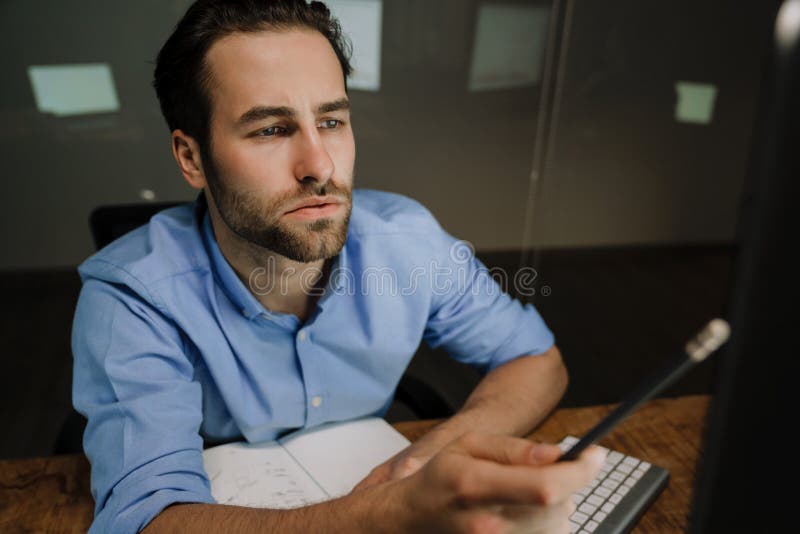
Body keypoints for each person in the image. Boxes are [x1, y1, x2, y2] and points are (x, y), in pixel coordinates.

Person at [71, 1, 605, 532]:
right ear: (191, 158)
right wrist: (386, 514)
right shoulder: (131, 296)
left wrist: (425, 461)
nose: (320, 166)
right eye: (271, 130)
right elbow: (148, 519)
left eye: (331, 121)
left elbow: (536, 360)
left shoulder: (408, 240)